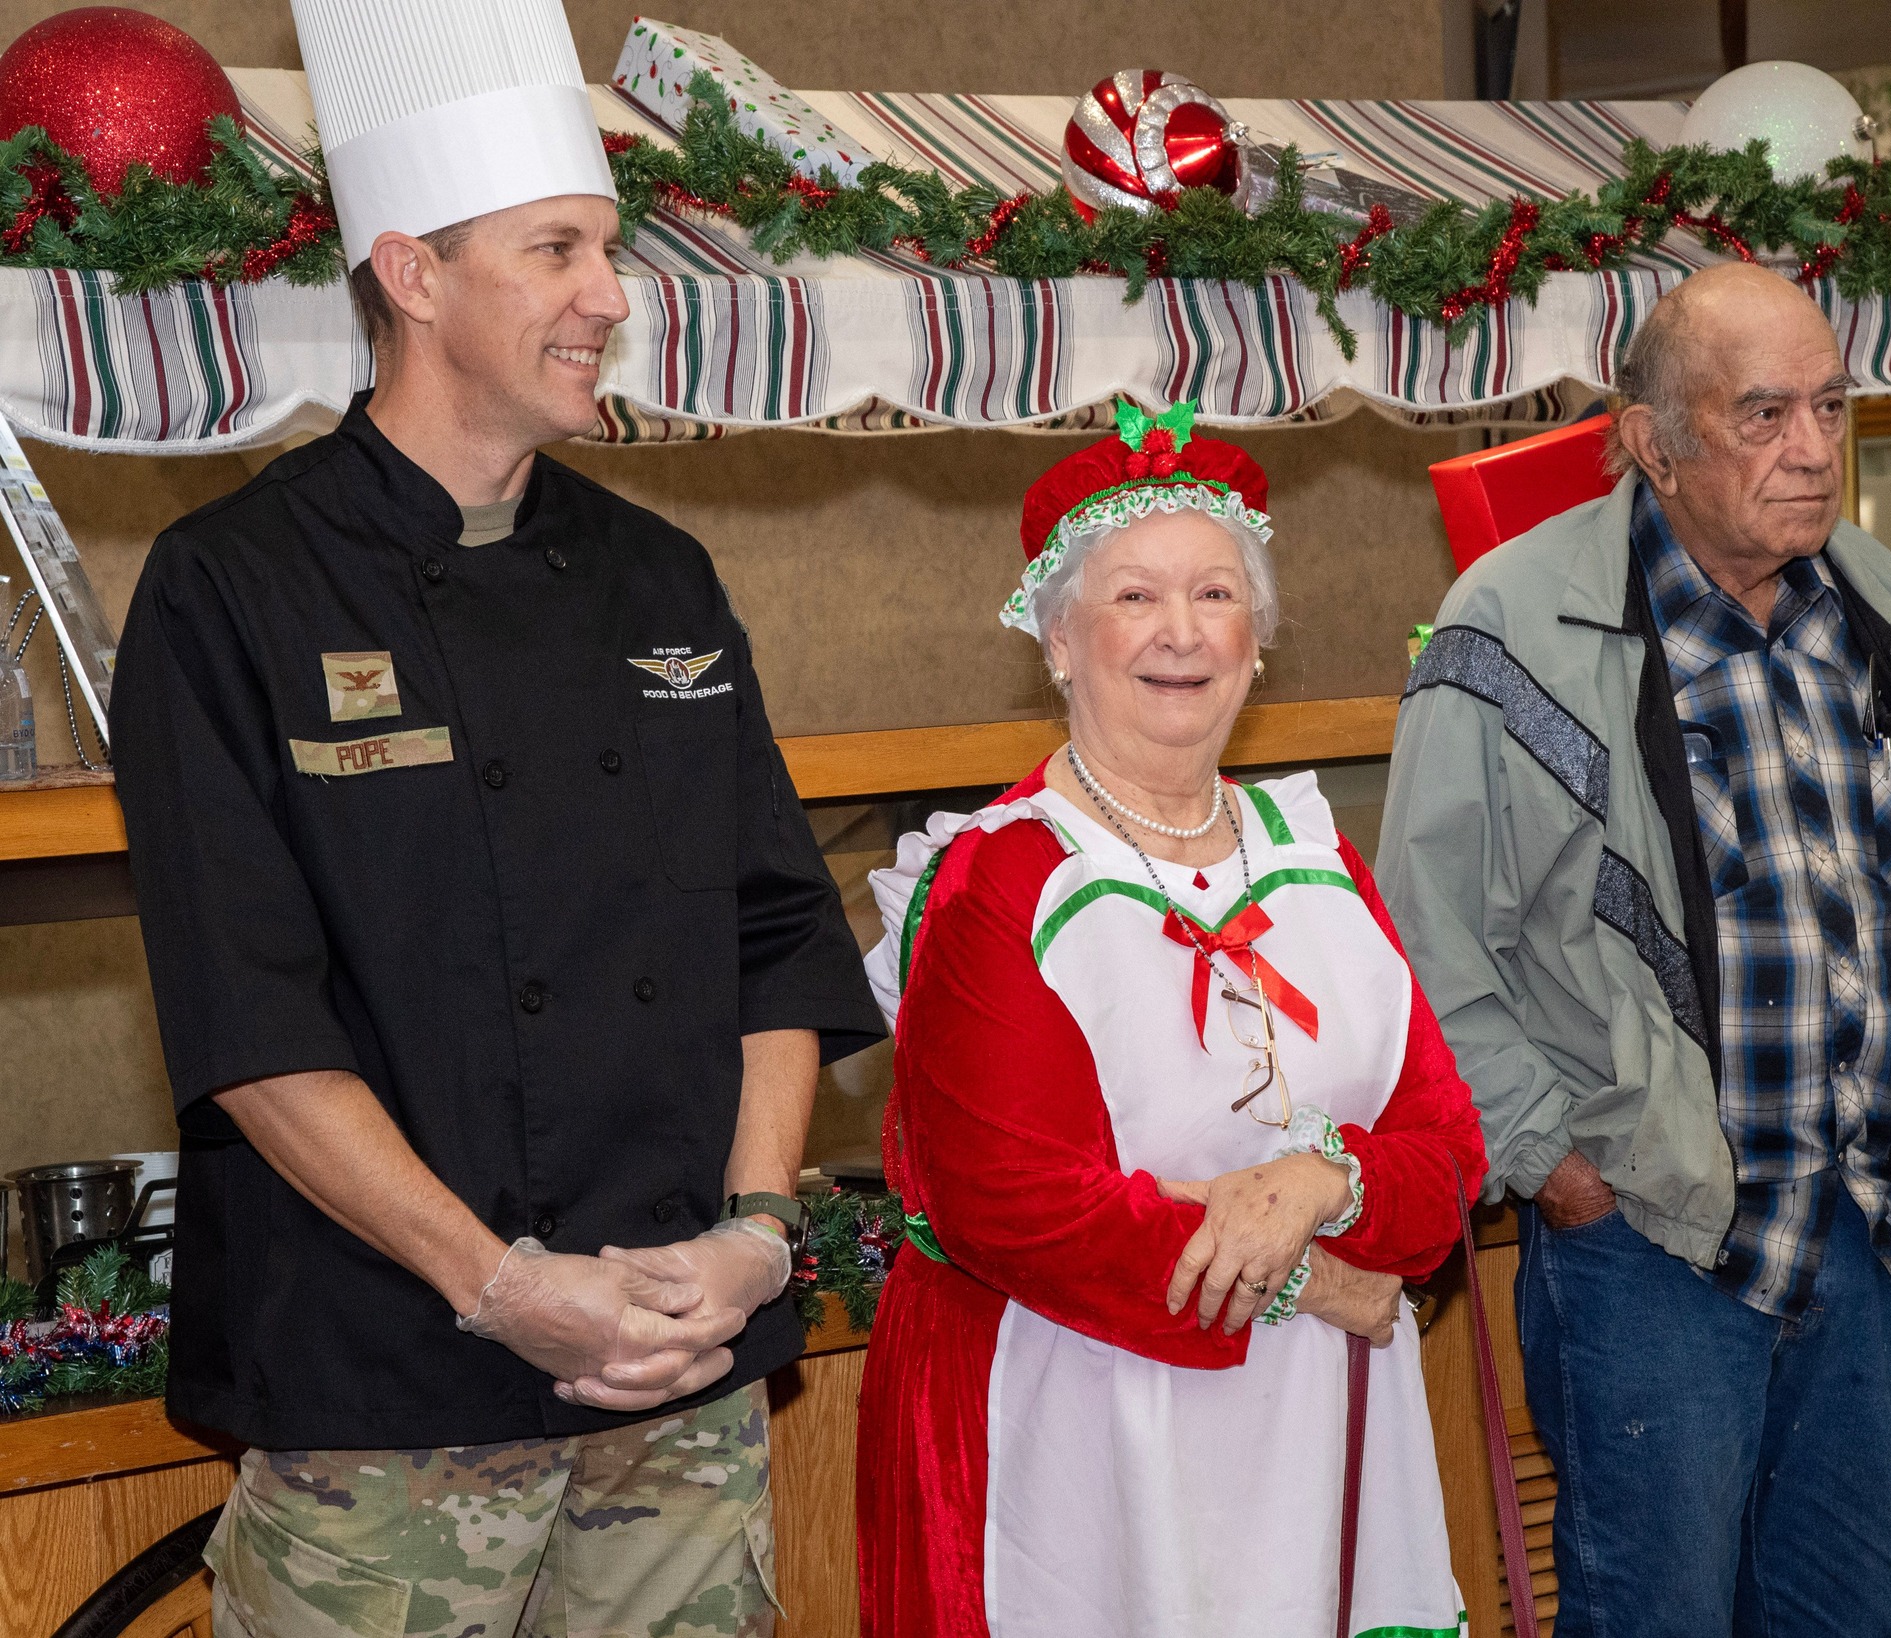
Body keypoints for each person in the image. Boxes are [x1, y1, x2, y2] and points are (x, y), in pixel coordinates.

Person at [109, 2, 884, 1633]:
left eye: (607, 250)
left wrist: (753, 1235)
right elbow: (251, 1020)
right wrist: (498, 1281)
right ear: (412, 273)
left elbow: (772, 936)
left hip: (682, 1386)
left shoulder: (657, 574)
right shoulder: (232, 587)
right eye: (556, 250)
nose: (608, 296)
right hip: (389, 1411)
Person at [1376, 262, 1891, 1638]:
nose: (1812, 451)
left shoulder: (1882, 597)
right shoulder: (1512, 623)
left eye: (1832, 407)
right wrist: (1556, 1167)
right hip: (1651, 1234)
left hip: (1863, 1224)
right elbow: (1428, 938)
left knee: (1854, 1615)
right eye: (1765, 412)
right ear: (1652, 441)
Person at [855, 404, 1487, 1638]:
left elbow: (1448, 1148)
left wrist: (1317, 1185)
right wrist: (1311, 1278)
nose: (1182, 632)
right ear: (1056, 641)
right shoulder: (1001, 878)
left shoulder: (1315, 857)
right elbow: (1016, 1204)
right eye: (1134, 598)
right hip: (1095, 1427)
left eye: (1214, 594)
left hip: (1319, 1432)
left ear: (1257, 641)